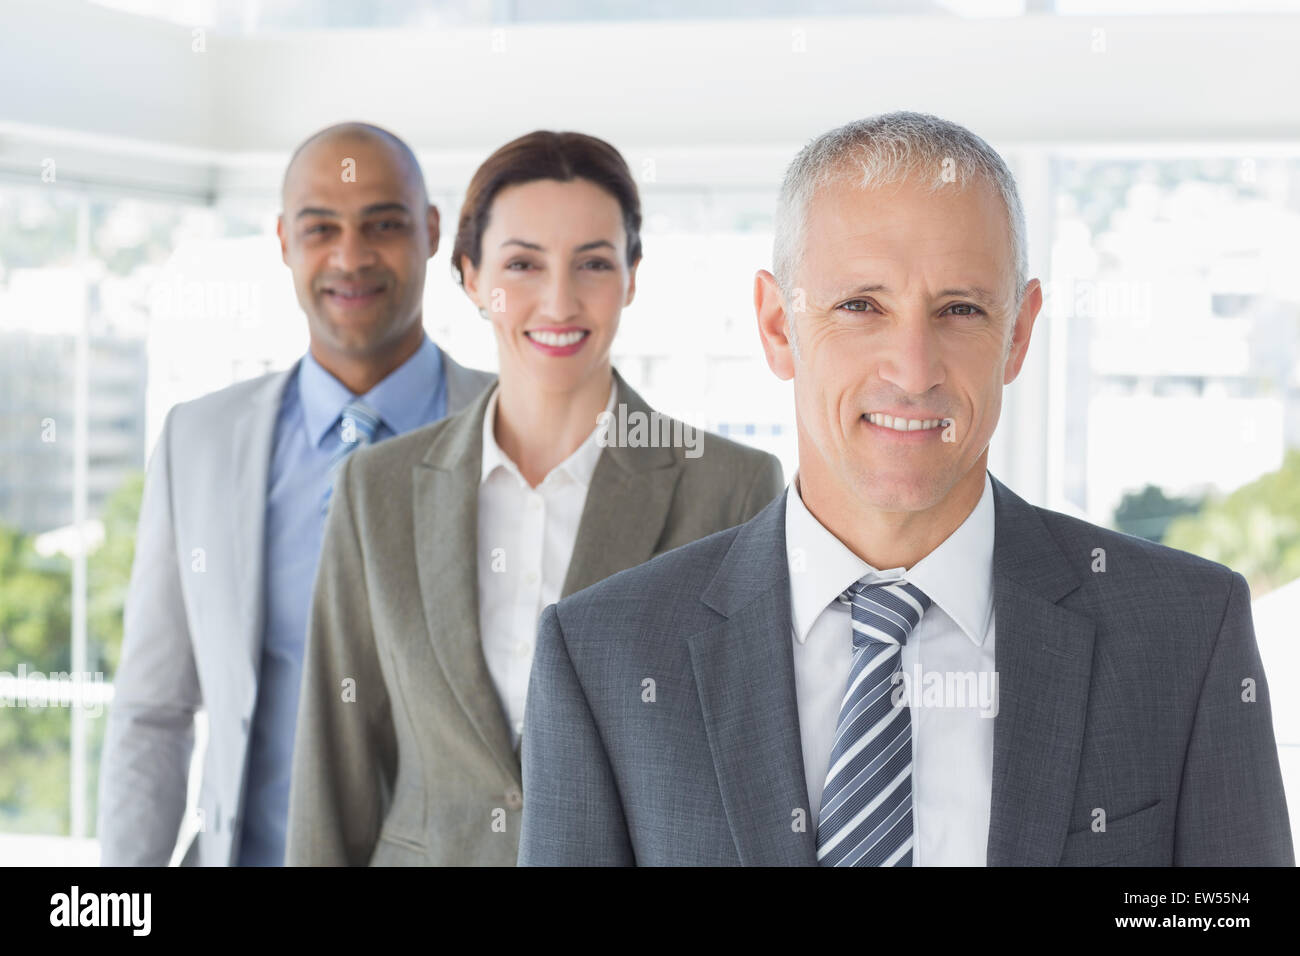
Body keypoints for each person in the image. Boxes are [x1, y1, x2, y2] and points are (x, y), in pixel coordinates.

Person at [518, 111, 1295, 867]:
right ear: (778, 326)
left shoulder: (1186, 635)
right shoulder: (603, 659)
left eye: (960, 310)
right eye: (861, 306)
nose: (914, 369)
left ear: (1018, 334)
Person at [285, 130, 784, 866]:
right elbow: (336, 765)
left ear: (632, 277)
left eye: (593, 264)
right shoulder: (377, 488)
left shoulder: (732, 488)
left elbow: (752, 779)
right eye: (522, 264)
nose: (558, 301)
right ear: (467, 273)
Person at [97, 122, 495, 867]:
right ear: (284, 241)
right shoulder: (199, 443)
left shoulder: (516, 434)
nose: (351, 257)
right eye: (321, 228)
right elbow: (153, 713)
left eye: (384, 223)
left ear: (432, 232)